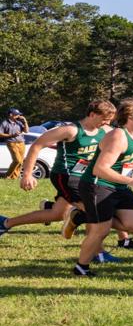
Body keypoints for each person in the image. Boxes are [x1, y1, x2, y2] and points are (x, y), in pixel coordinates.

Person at [1, 100, 113, 240]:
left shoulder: (106, 130)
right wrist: (27, 174)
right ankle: (96, 251)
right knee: (93, 209)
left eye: (109, 120)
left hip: (86, 177)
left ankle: (5, 223)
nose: (107, 123)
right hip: (66, 176)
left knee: (57, 214)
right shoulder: (71, 130)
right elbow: (37, 145)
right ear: (92, 115)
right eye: (104, 119)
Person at [71, 97, 133, 277]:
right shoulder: (118, 136)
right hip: (98, 185)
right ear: (131, 116)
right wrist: (132, 181)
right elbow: (100, 169)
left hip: (120, 186)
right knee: (101, 229)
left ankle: (86, 214)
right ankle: (81, 267)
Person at [1, 108, 27, 180]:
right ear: (11, 115)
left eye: (18, 114)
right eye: (16, 114)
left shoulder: (19, 122)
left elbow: (26, 131)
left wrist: (25, 121)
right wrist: (12, 135)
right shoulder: (4, 123)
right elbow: (0, 134)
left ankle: (14, 178)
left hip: (21, 142)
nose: (18, 116)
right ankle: (7, 176)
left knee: (21, 162)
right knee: (17, 160)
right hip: (11, 142)